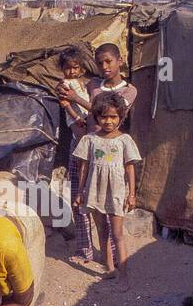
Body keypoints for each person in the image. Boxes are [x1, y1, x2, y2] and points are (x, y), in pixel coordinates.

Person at [72, 92, 141, 282]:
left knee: (118, 234)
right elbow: (83, 167)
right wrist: (80, 192)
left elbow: (130, 168)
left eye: (113, 117)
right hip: (95, 191)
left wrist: (132, 194)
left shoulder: (124, 140)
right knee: (102, 231)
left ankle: (124, 276)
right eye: (104, 116)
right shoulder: (90, 140)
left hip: (117, 192)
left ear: (121, 117)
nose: (108, 121)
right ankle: (109, 269)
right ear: (96, 117)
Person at [55, 48, 95, 261]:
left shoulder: (85, 83)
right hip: (77, 130)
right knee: (78, 195)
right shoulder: (64, 85)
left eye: (76, 67)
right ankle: (84, 247)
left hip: (90, 132)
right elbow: (66, 105)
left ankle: (96, 247)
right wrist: (76, 119)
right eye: (68, 68)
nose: (72, 71)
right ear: (62, 69)